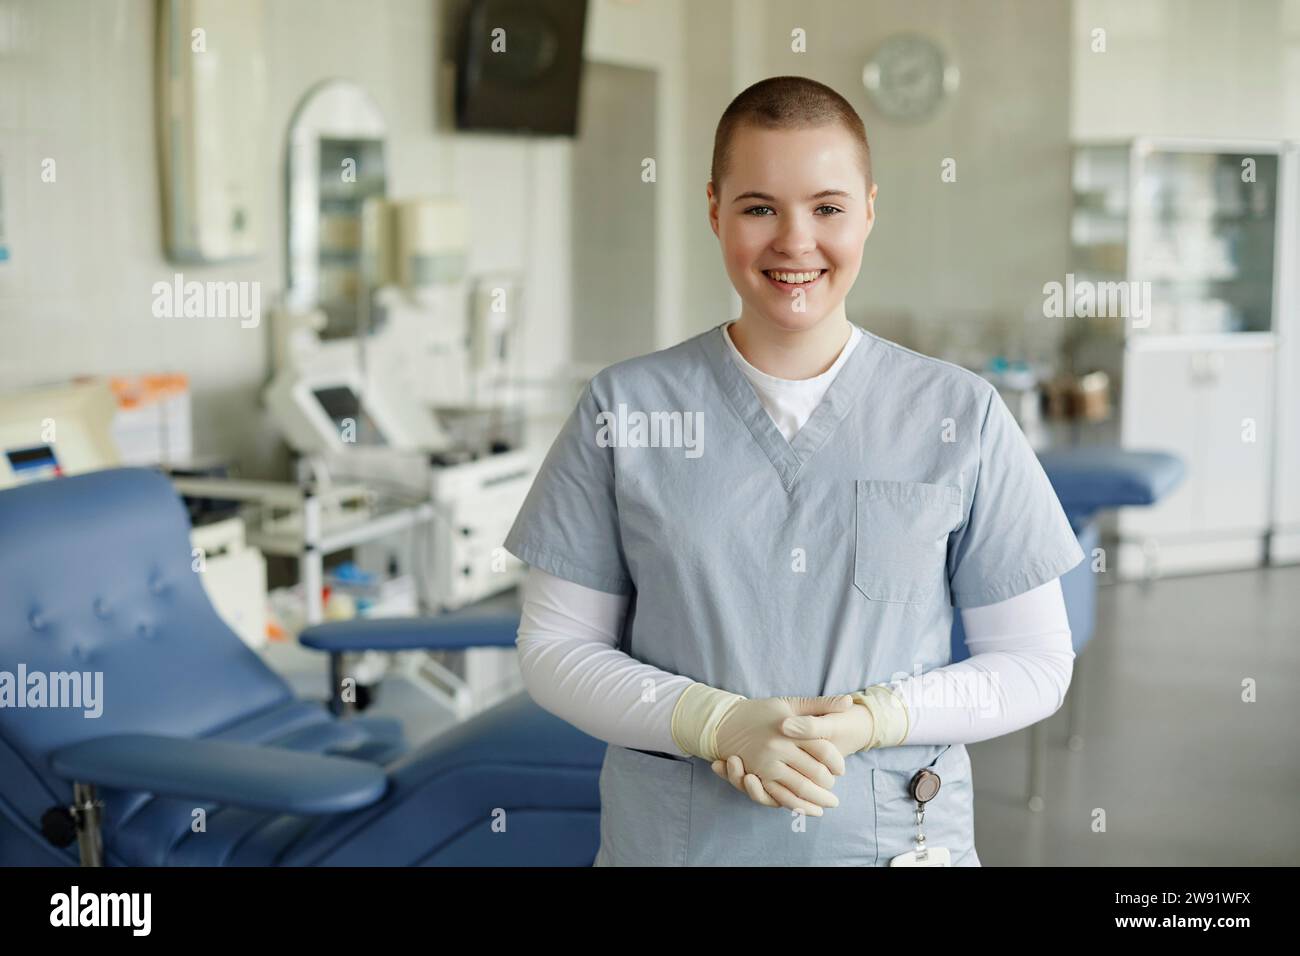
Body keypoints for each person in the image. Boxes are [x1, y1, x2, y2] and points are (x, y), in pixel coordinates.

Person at [503, 75, 1084, 866]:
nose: (795, 242)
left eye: (827, 207)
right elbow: (556, 648)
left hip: (891, 843)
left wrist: (874, 717)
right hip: (679, 845)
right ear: (714, 209)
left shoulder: (959, 413)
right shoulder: (626, 408)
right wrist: (711, 722)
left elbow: (1034, 663)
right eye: (759, 207)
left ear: (870, 209)